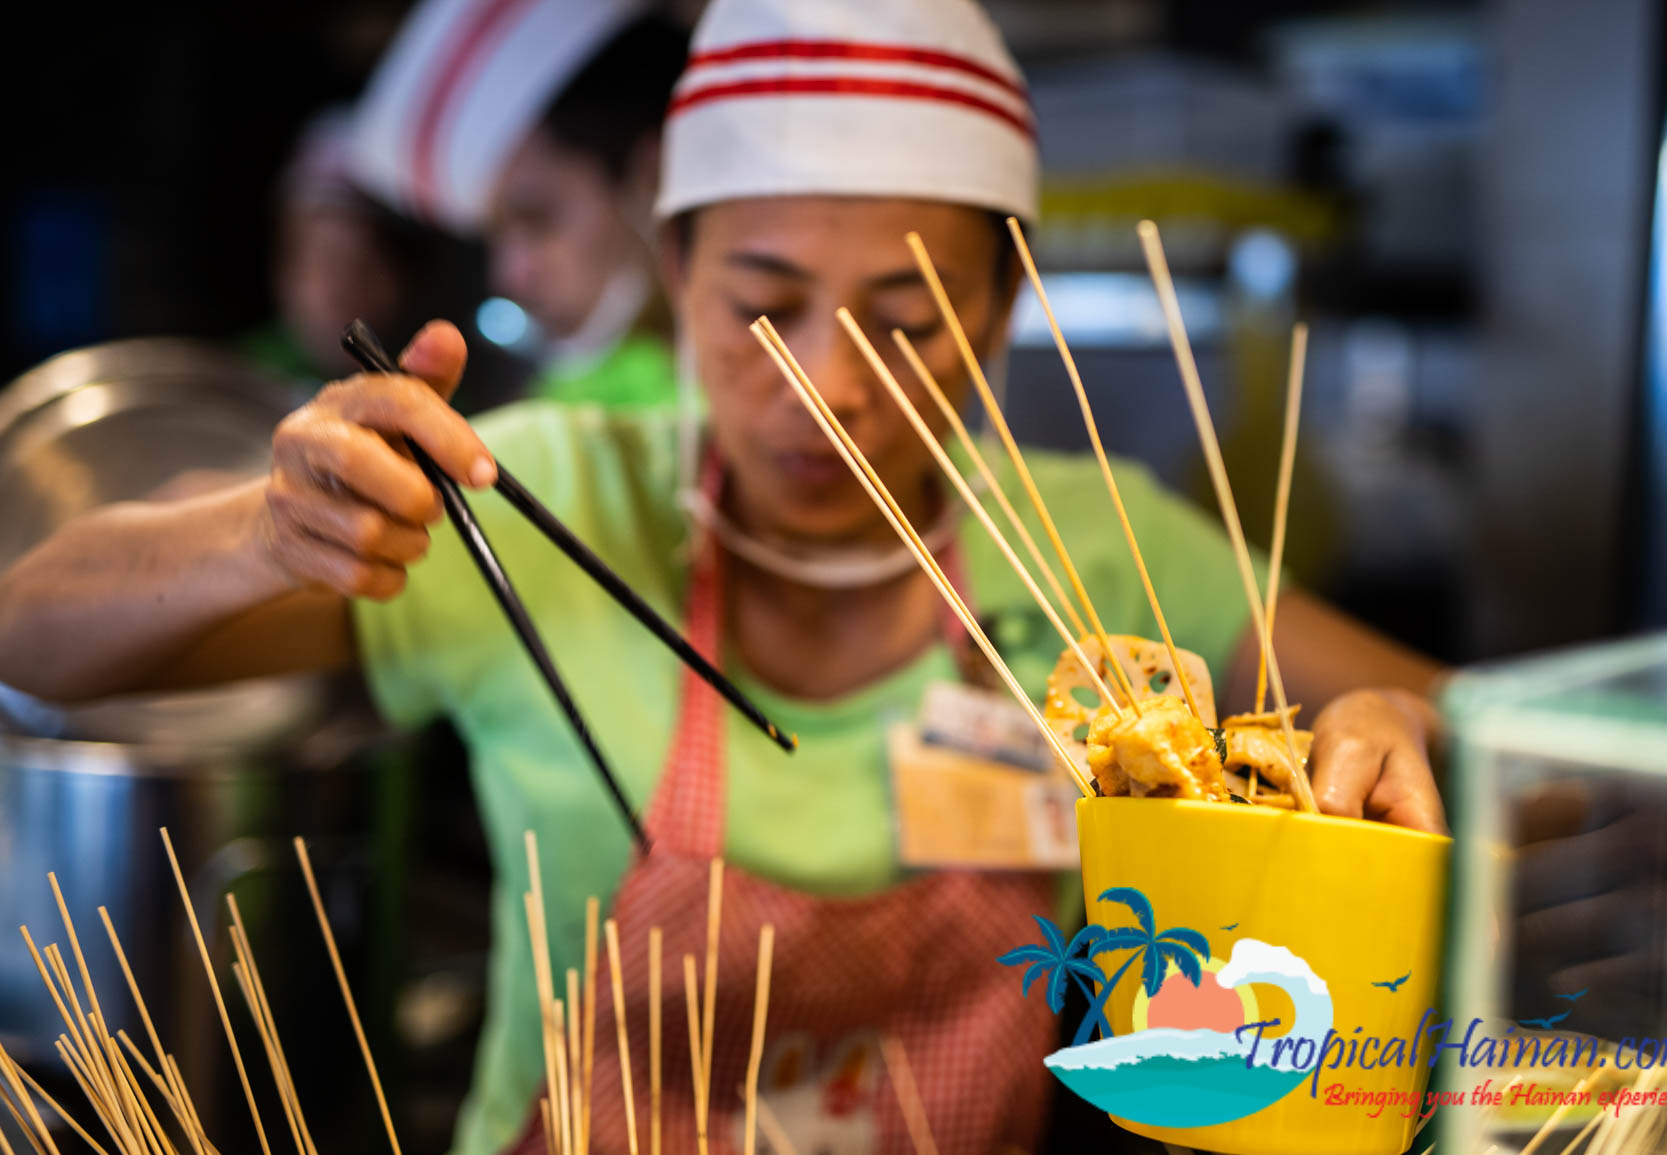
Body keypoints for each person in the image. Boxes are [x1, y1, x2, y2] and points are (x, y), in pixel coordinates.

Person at [0, 0, 1447, 1150]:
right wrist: (263, 530)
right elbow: (38, 633)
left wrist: (1397, 734)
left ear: (1007, 308)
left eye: (913, 318)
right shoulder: (542, 495)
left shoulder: (1099, 550)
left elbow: (1517, 744)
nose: (832, 387)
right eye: (763, 305)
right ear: (672, 269)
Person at [350, 0, 687, 410]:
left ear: (652, 173)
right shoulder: (568, 408)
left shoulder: (754, 379)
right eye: (496, 235)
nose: (510, 277)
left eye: (538, 219)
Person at [242, 109, 416, 387]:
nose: (343, 289)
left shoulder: (430, 382)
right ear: (284, 271)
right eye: (325, 263)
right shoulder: (241, 377)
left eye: (365, 266)